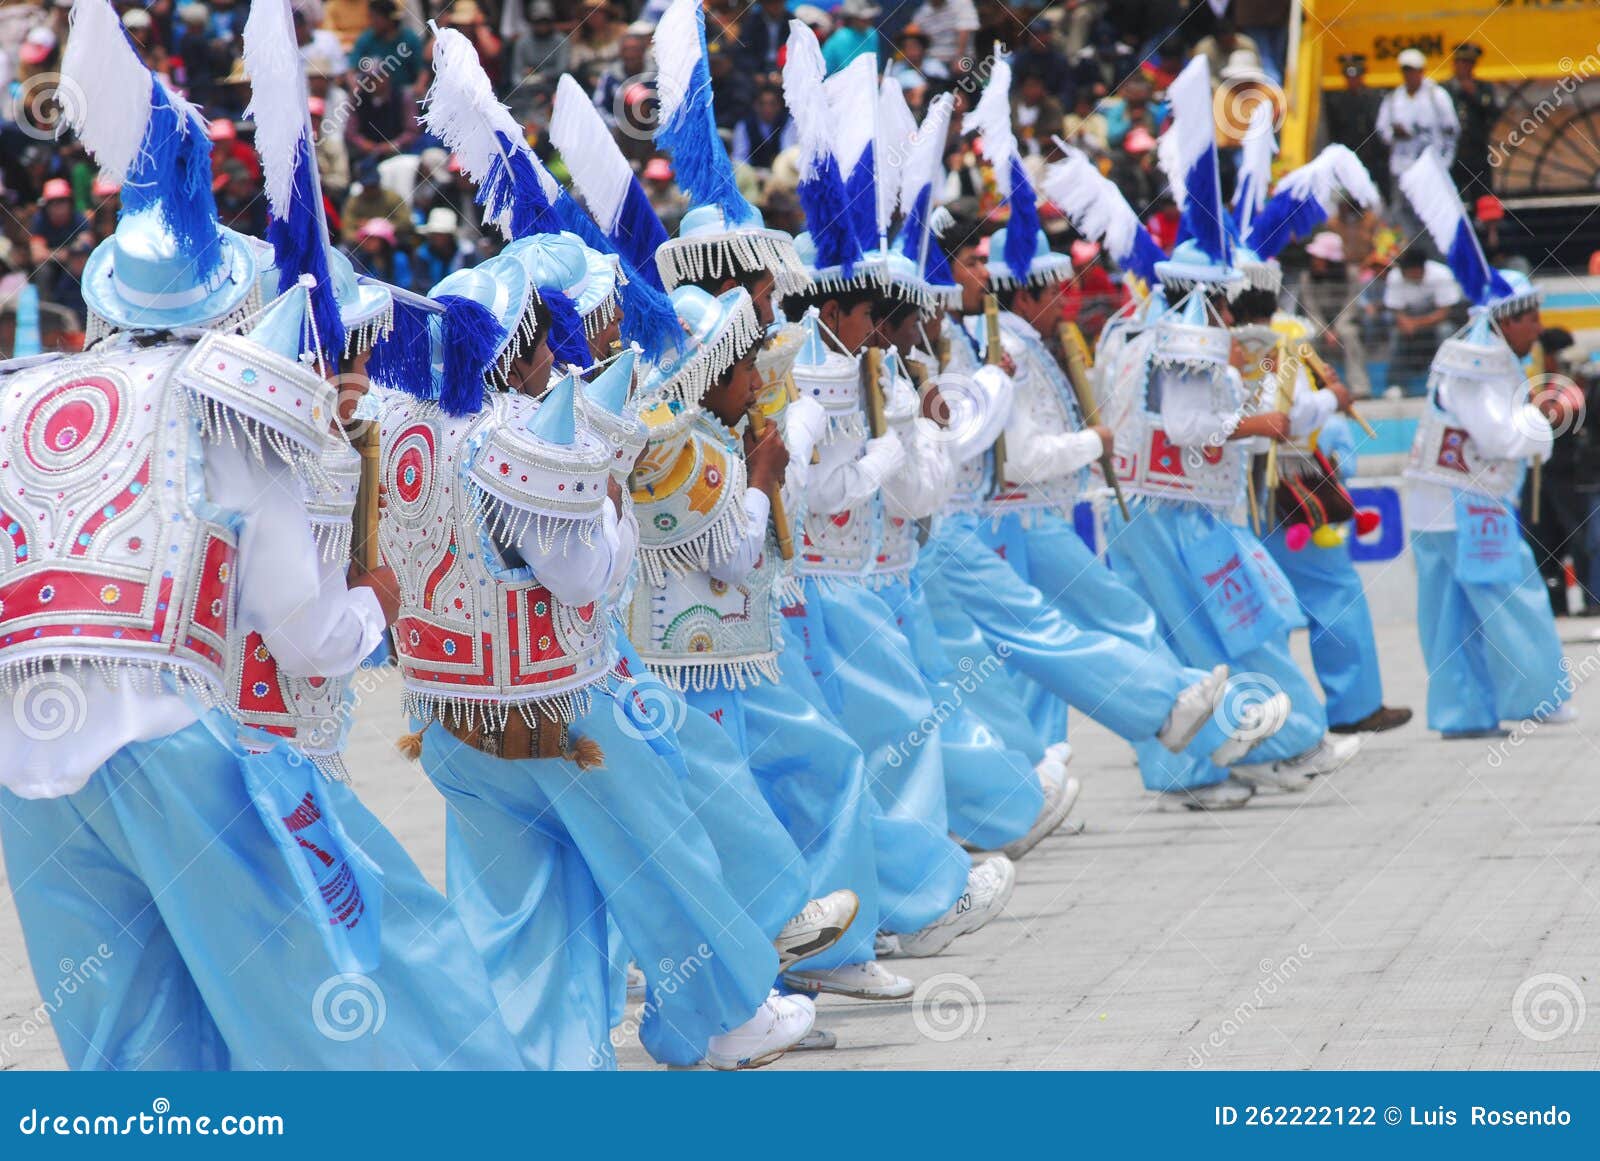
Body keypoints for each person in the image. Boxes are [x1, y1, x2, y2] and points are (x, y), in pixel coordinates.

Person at [0, 4, 520, 1070]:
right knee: (355, 985)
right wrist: (375, 595)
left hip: (25, 756)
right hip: (182, 739)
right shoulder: (232, 398)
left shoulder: (24, 392)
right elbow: (308, 632)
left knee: (130, 1036)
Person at [1398, 152, 1573, 737]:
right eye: (1531, 318)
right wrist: (1545, 418)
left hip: (1438, 505)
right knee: (1511, 598)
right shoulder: (1478, 362)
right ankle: (1537, 699)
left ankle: (1463, 713)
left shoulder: (1482, 356)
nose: (1538, 327)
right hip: (1466, 505)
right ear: (1508, 319)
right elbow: (1498, 437)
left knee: (1449, 613)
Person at [1377, 48, 1458, 229]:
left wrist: (1445, 162)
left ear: (1421, 71)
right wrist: (1396, 135)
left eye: (1413, 70)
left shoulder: (1437, 96)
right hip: (1402, 166)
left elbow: (1451, 131)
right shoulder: (1393, 98)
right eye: (1405, 71)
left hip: (1431, 166)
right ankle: (1408, 251)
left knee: (1432, 212)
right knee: (1403, 213)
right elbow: (1382, 129)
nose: (1409, 75)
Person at [1384, 249, 1462, 394]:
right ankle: (1396, 385)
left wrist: (1416, 323)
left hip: (1437, 321)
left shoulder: (1441, 274)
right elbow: (1396, 310)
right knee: (1395, 334)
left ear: (1418, 269)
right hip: (1409, 320)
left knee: (1446, 331)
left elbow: (1444, 312)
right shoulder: (1395, 276)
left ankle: (1445, 381)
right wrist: (1405, 322)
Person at [1323, 54, 1390, 199]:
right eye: (1349, 77)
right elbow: (1335, 133)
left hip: (1374, 158)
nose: (1353, 81)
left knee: (1379, 196)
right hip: (1350, 156)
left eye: (1356, 76)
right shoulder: (1337, 101)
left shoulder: (1375, 97)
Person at [1443, 42, 1500, 201]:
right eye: (1461, 63)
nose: (1465, 67)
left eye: (1469, 63)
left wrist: (1474, 95)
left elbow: (1493, 113)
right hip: (1452, 154)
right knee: (1452, 198)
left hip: (1477, 152)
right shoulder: (1444, 89)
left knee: (1484, 200)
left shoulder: (1483, 88)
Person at [350, 0, 424, 90]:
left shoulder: (410, 39)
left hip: (405, 92)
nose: (371, 22)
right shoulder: (366, 38)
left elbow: (422, 69)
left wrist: (418, 88)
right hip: (373, 94)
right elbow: (351, 69)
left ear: (389, 19)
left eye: (375, 18)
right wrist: (355, 88)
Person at [730, 83, 795, 170]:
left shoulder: (788, 123)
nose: (767, 109)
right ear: (756, 105)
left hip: (779, 175)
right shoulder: (744, 125)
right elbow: (739, 159)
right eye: (763, 104)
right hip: (752, 175)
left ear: (779, 106)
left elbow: (788, 153)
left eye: (772, 104)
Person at [910, 0, 977, 72]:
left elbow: (964, 30)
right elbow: (913, 36)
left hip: (962, 57)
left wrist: (959, 57)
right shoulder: (921, 13)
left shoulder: (962, 3)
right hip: (934, 61)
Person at [824, 0, 881, 75]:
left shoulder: (872, 33)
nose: (868, 21)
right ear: (852, 18)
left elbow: (875, 64)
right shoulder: (842, 37)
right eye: (863, 19)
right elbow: (849, 72)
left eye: (870, 18)